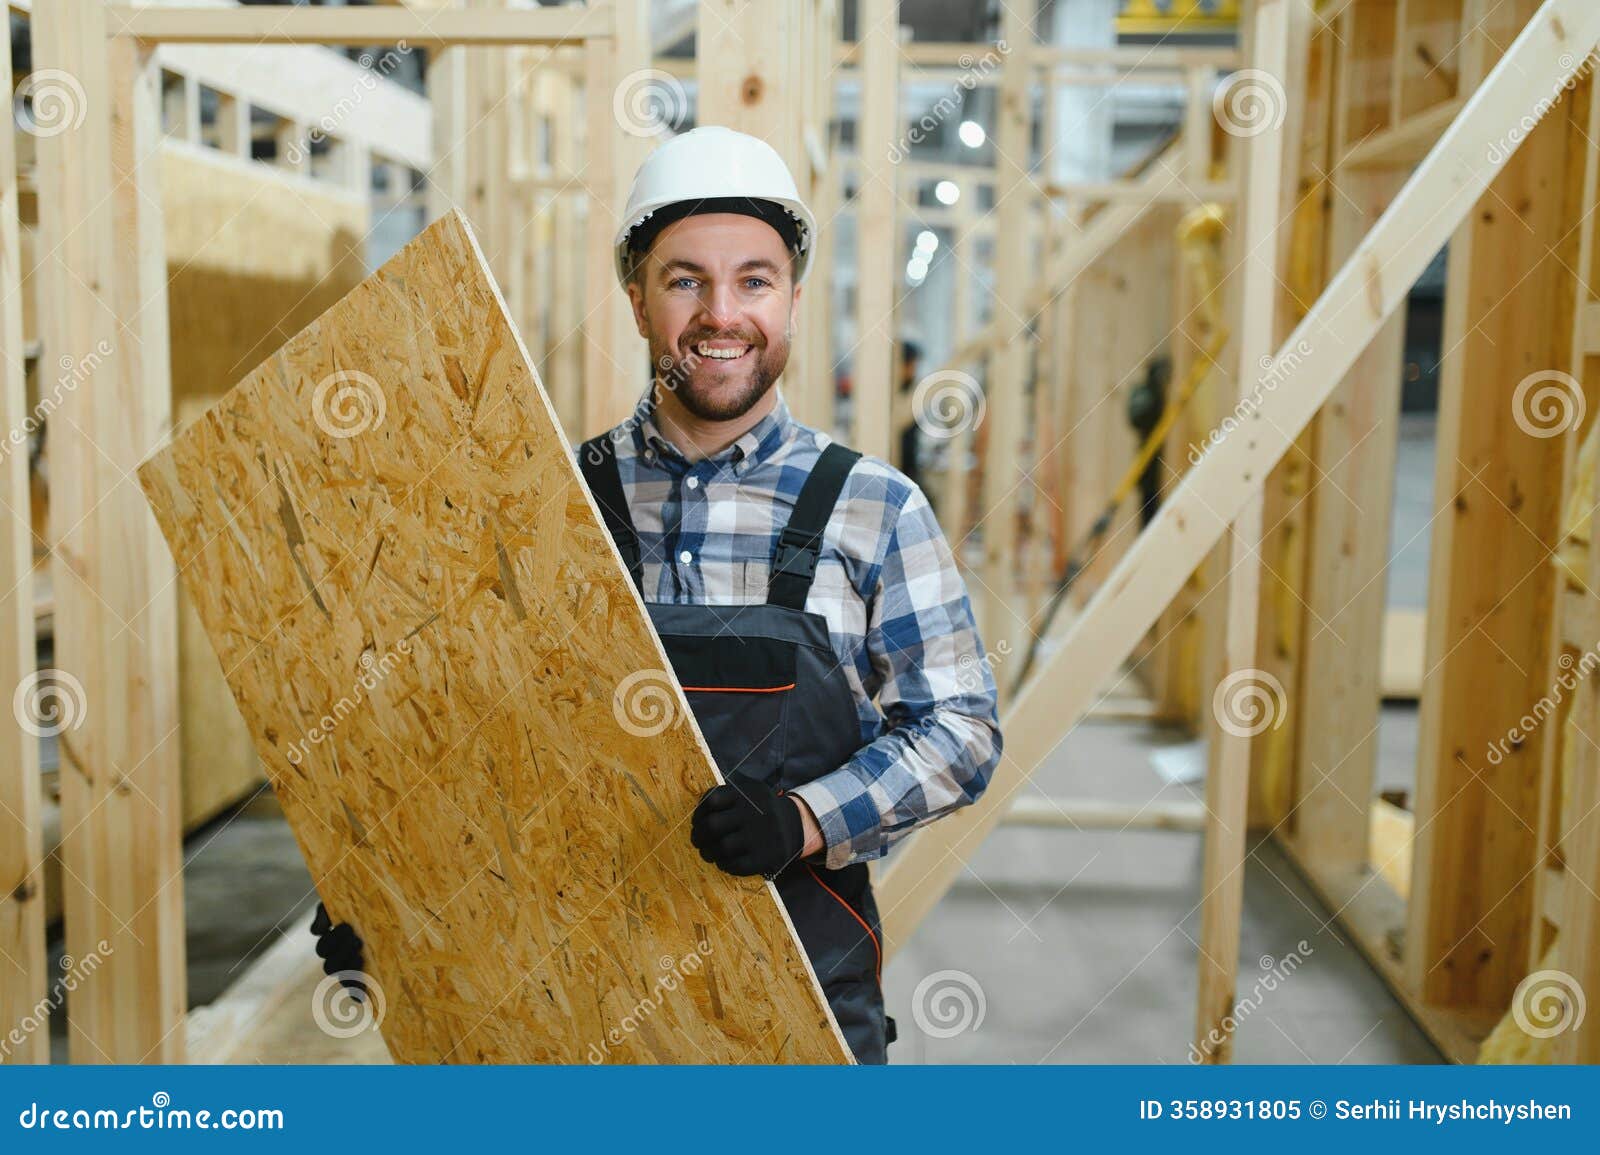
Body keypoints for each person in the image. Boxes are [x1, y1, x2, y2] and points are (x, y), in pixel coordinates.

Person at [313, 125, 1003, 1065]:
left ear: (793, 300)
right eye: (685, 280)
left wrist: (804, 818)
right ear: (637, 298)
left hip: (791, 1012)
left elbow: (960, 730)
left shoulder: (874, 508)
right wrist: (403, 903)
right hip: (573, 1008)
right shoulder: (546, 501)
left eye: (753, 280)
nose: (722, 312)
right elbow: (478, 732)